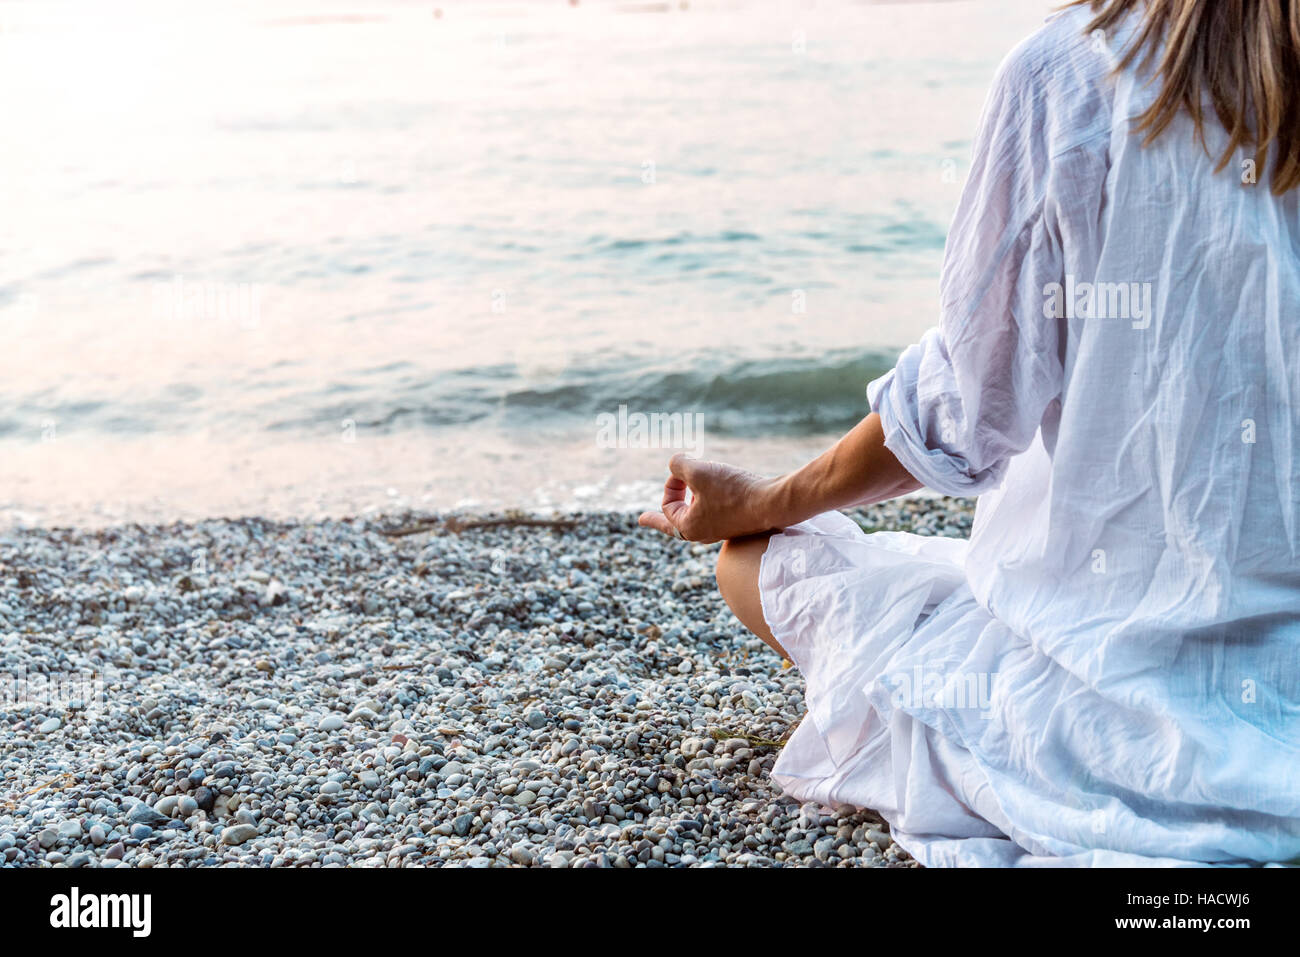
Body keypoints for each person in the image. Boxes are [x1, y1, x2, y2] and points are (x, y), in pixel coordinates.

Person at [639, 0, 1300, 866]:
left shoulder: (1071, 75)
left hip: (1109, 707)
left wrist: (764, 498)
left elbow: (968, 414)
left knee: (753, 563)